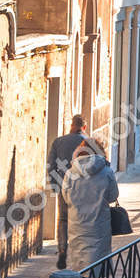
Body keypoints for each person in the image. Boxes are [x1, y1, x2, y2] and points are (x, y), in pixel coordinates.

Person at [60, 138, 119, 276]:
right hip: (99, 225)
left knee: (79, 263)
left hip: (77, 225)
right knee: (97, 263)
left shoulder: (70, 173)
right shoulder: (107, 172)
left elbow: (66, 197)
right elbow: (113, 196)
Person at [48, 114, 86, 269]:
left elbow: (51, 165)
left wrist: (54, 186)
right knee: (81, 220)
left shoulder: (58, 142)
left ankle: (63, 250)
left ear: (71, 125)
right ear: (84, 127)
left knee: (63, 219)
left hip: (63, 186)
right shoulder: (88, 143)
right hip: (82, 189)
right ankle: (79, 252)